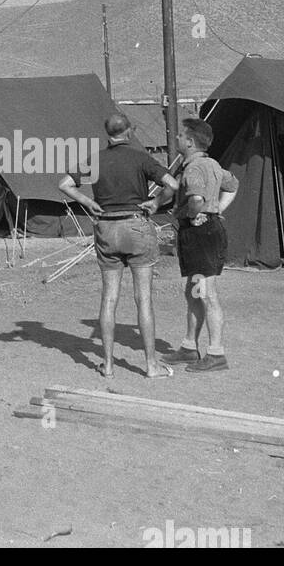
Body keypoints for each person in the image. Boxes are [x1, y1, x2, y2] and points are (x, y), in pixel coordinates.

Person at [58, 112, 174, 380]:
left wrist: (87, 202)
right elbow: (172, 184)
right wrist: (155, 203)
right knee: (142, 298)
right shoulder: (140, 158)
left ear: (106, 133)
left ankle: (108, 366)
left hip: (107, 228)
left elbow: (64, 184)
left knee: (109, 298)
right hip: (136, 226)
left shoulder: (95, 160)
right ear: (130, 132)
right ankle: (150, 365)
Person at [155, 116, 239, 372]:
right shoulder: (212, 164)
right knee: (193, 291)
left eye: (180, 135)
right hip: (205, 232)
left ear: (190, 141)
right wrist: (218, 210)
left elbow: (197, 199)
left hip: (200, 234)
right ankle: (190, 347)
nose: (177, 138)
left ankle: (216, 354)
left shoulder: (192, 169)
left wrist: (195, 213)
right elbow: (233, 185)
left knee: (206, 293)